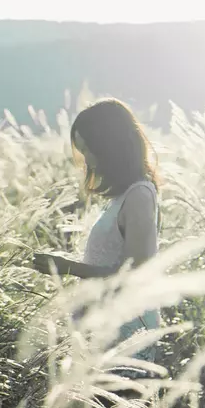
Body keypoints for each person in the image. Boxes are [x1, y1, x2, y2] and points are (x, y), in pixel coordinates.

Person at [32, 98, 162, 375]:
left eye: (88, 149)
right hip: (104, 327)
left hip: (125, 331)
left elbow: (136, 272)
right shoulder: (122, 196)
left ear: (110, 147)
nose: (86, 160)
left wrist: (68, 268)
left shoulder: (139, 195)